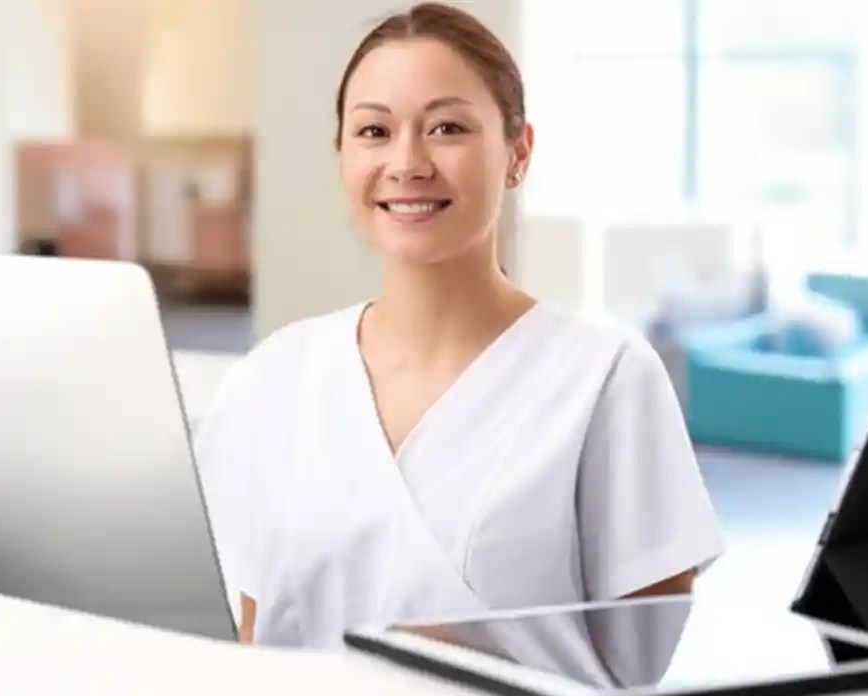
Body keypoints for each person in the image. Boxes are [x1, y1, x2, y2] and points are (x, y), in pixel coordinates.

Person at [195, 2, 725, 648]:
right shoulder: (274, 378)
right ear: (341, 155)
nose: (408, 162)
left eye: (446, 128)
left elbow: (640, 658)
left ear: (517, 151)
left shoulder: (605, 378)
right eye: (373, 132)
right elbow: (252, 641)